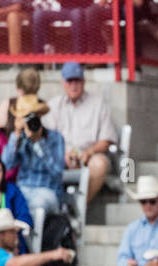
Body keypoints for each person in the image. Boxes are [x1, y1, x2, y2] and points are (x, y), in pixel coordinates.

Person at [45, 61, 119, 204]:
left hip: (89, 156)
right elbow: (47, 138)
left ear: (84, 81)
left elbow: (106, 140)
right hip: (61, 156)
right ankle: (54, 205)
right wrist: (63, 154)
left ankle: (77, 207)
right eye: (69, 80)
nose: (73, 85)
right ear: (63, 82)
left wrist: (89, 152)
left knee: (99, 164)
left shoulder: (98, 104)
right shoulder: (53, 106)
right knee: (44, 162)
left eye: (77, 80)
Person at [2, 95, 66, 225]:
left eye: (33, 116)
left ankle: (31, 246)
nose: (31, 120)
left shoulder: (56, 138)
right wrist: (16, 136)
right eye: (26, 116)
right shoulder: (20, 137)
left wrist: (38, 142)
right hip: (22, 189)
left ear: (40, 116)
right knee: (5, 203)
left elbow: (58, 172)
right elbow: (6, 165)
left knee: (36, 204)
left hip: (47, 191)